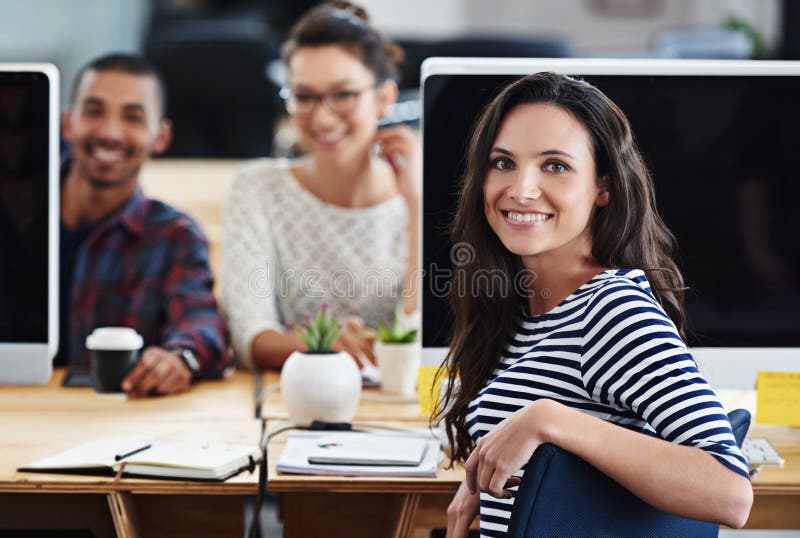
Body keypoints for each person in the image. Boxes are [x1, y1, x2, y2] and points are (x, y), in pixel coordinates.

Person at [439, 73, 752, 537]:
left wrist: (548, 420)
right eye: (502, 163)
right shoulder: (522, 309)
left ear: (602, 188)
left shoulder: (611, 310)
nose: (521, 189)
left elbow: (729, 491)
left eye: (555, 166)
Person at [223, 1, 420, 370]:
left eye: (343, 95)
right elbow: (249, 337)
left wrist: (418, 204)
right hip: (289, 405)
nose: (323, 117)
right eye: (304, 97)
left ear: (384, 99)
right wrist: (327, 343)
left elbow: (427, 342)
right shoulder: (257, 188)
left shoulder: (422, 198)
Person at [57, 53, 230, 397]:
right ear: (67, 123)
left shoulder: (174, 236)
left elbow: (203, 324)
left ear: (161, 137)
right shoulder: (14, 214)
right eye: (94, 111)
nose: (109, 132)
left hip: (109, 424)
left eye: (132, 117)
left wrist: (179, 360)